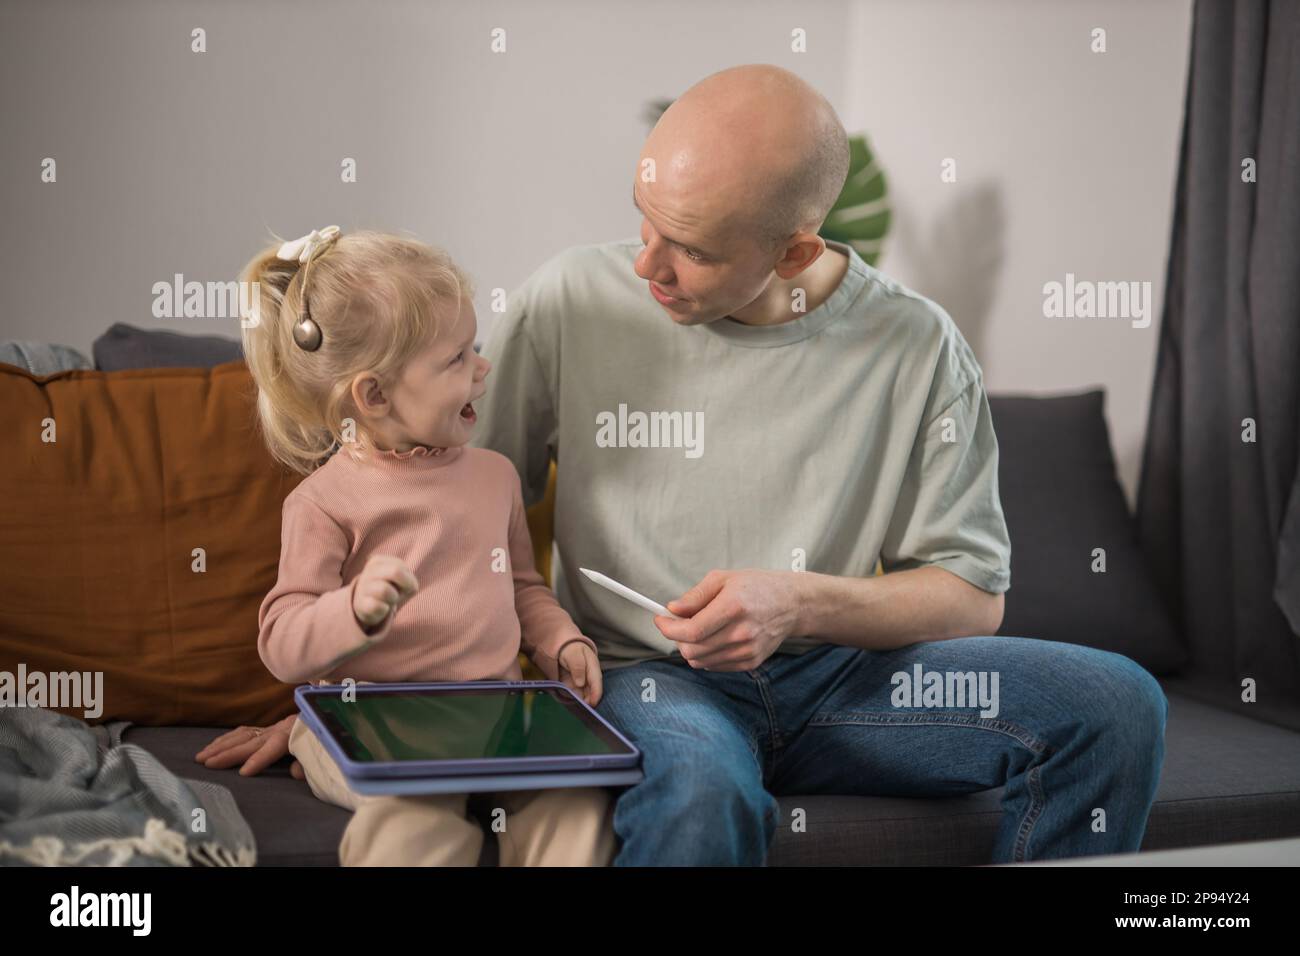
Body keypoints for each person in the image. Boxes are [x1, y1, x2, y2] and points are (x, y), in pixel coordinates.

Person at [203, 63, 1168, 866]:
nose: (645, 266)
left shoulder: (919, 348)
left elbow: (970, 595)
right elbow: (433, 516)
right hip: (650, 682)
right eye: (644, 220)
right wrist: (328, 715)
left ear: (794, 250)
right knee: (701, 788)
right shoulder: (570, 301)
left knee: (1118, 705)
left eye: (692, 251)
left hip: (844, 685)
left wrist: (795, 604)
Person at [196, 227, 614, 866]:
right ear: (375, 395)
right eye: (456, 359)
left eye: (473, 347)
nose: (482, 368)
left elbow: (523, 589)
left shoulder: (495, 477)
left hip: (493, 721)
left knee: (575, 802)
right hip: (369, 726)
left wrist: (559, 639)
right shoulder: (322, 503)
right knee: (413, 821)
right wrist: (353, 611)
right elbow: (282, 643)